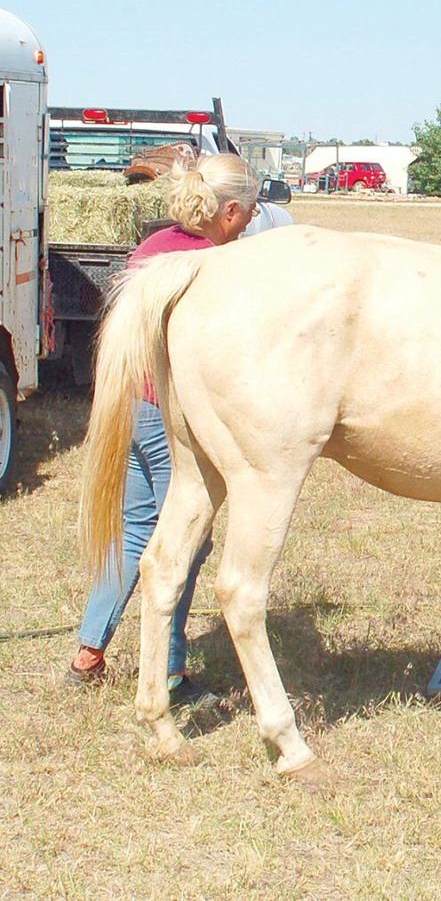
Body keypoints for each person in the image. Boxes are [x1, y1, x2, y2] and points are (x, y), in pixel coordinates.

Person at [67, 152, 262, 705]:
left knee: (133, 533)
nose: (249, 221)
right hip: (167, 413)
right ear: (227, 212)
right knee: (185, 541)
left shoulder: (152, 249)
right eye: (247, 212)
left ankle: (89, 650)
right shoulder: (214, 268)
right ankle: (171, 671)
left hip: (128, 406)